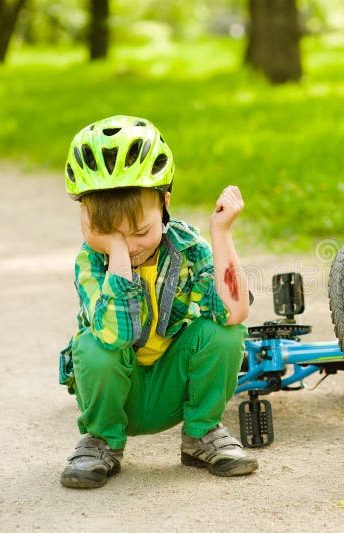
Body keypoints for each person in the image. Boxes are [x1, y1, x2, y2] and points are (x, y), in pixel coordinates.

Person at [57, 115, 256, 489]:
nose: (130, 246)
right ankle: (101, 441)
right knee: (91, 345)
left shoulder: (184, 247)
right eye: (113, 234)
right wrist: (114, 250)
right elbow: (117, 335)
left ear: (165, 203)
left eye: (140, 231)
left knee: (222, 331)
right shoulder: (91, 261)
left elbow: (234, 310)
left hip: (172, 389)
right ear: (87, 219)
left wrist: (220, 232)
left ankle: (201, 434)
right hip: (120, 396)